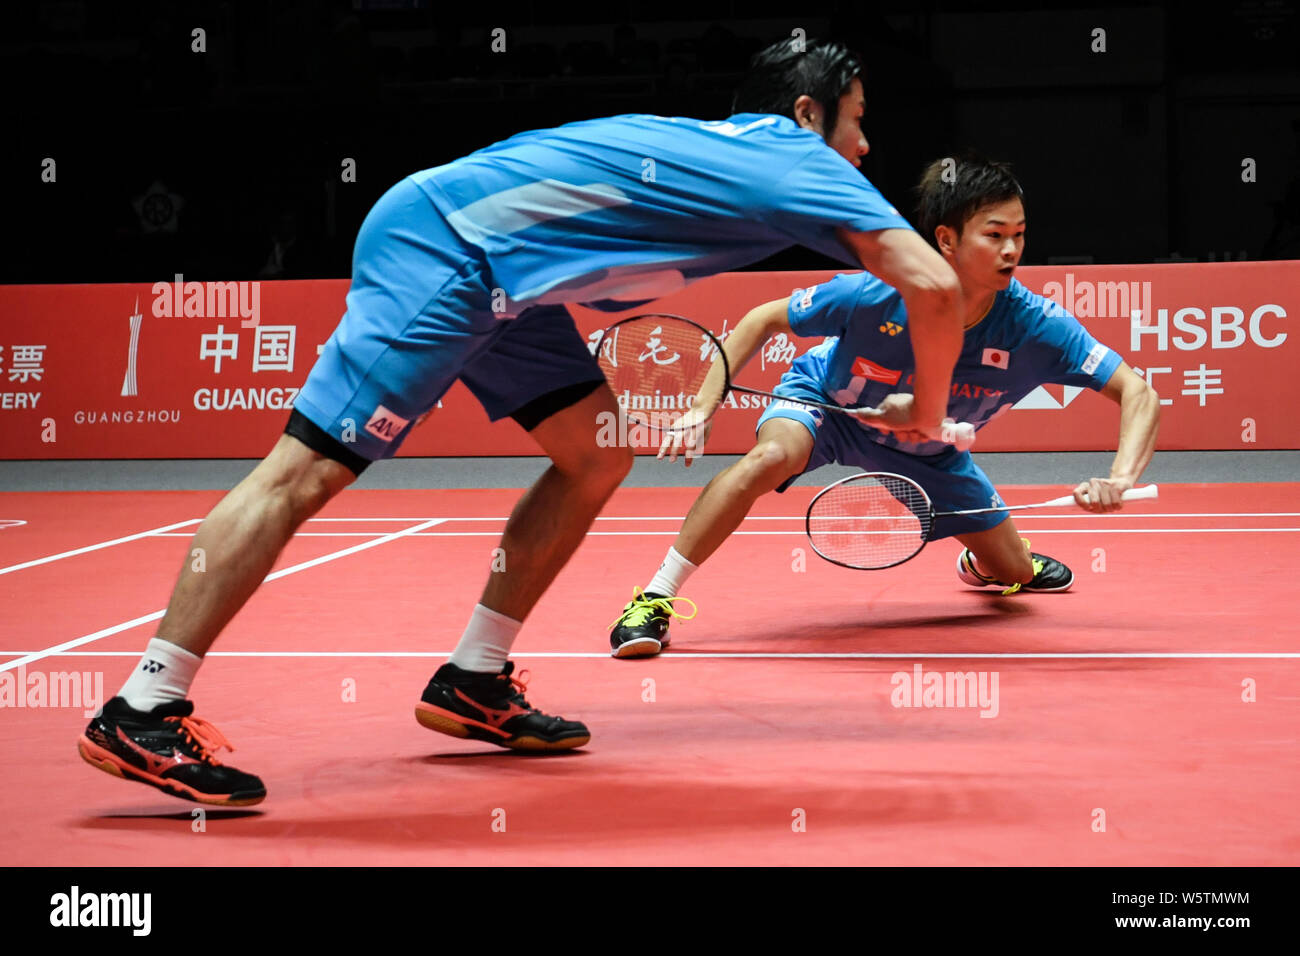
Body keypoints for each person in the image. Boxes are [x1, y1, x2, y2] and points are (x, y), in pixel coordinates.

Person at [78, 39, 966, 806]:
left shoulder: (730, 155)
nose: (865, 143)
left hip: (516, 281)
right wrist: (924, 415)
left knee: (594, 454)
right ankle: (142, 709)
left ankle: (473, 678)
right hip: (451, 245)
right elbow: (932, 284)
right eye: (856, 120)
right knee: (304, 470)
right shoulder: (792, 155)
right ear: (807, 114)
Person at [608, 155, 1161, 659]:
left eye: (1018, 234)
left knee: (1014, 573)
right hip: (828, 407)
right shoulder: (875, 294)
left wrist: (1119, 477)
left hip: (929, 449)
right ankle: (654, 600)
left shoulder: (1037, 327)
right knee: (770, 457)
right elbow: (762, 319)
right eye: (994, 236)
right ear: (946, 239)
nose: (1012, 250)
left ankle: (985, 560)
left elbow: (1138, 392)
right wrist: (702, 405)